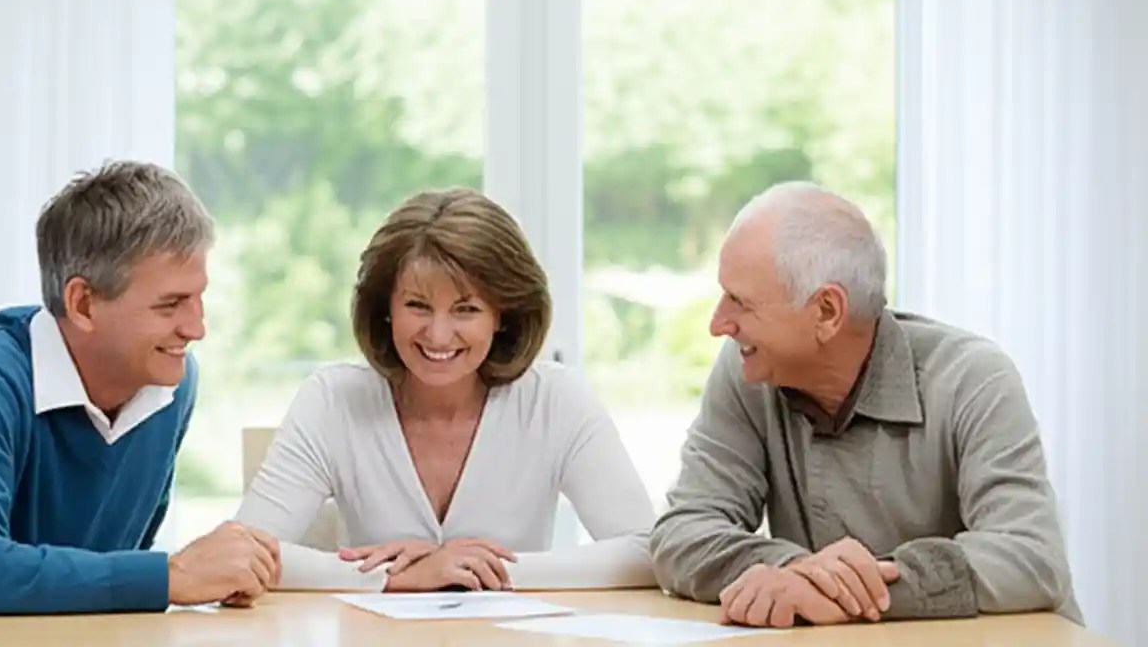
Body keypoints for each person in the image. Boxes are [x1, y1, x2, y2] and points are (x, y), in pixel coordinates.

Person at [0, 161, 280, 633]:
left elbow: (106, 578)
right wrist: (172, 576)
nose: (196, 328)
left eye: (198, 297)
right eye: (170, 304)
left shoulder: (172, 385)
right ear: (82, 303)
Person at [650, 181, 1082, 627]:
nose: (719, 324)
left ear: (827, 312)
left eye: (739, 302)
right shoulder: (750, 372)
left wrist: (836, 588)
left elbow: (1031, 557)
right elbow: (682, 535)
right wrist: (793, 570)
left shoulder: (973, 379)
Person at [236, 187, 656, 591]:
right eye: (417, 305)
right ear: (384, 310)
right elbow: (241, 554)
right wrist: (396, 578)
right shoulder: (333, 399)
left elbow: (648, 551)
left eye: (466, 309)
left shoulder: (556, 400)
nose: (438, 335)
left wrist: (475, 570)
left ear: (503, 315)